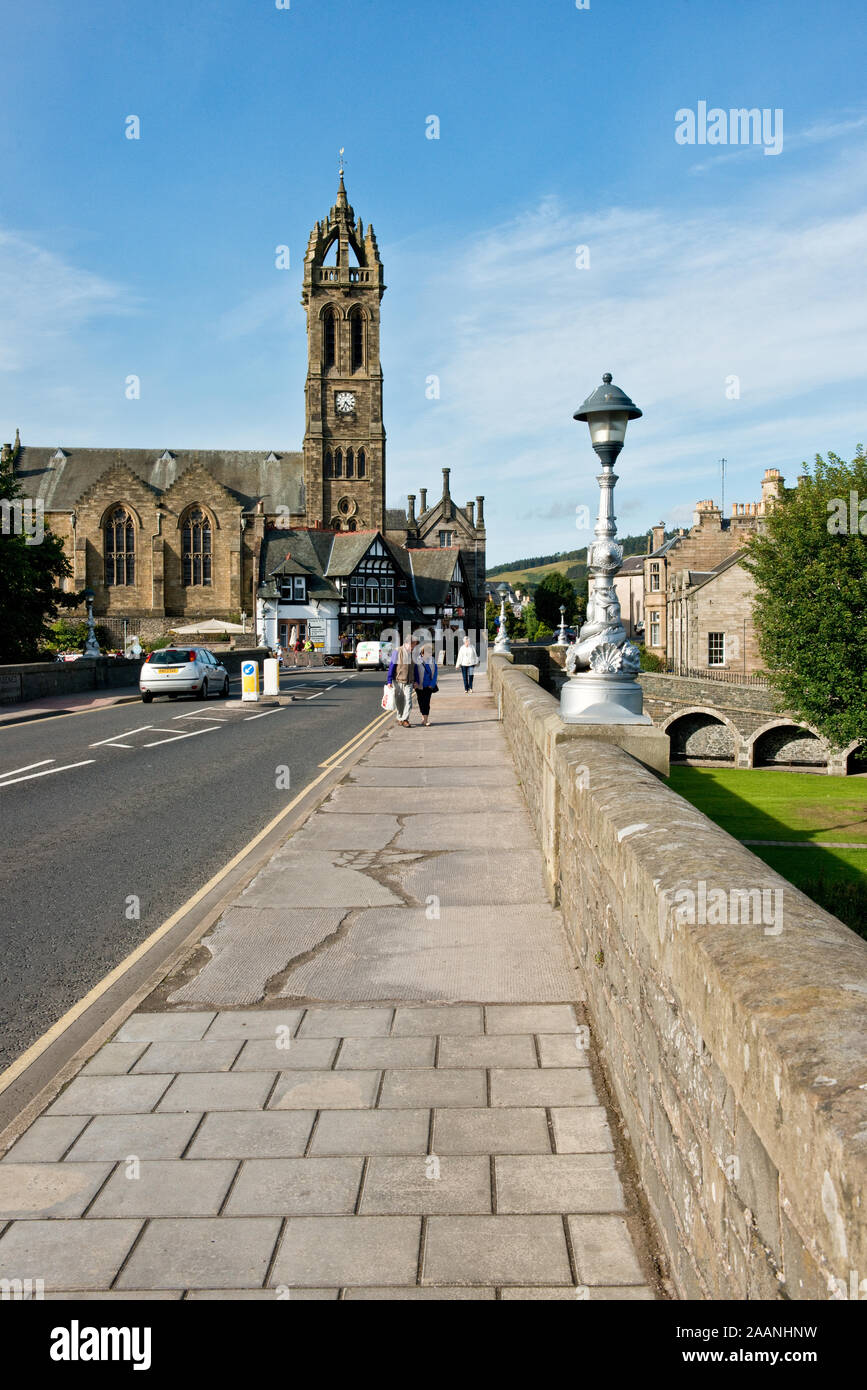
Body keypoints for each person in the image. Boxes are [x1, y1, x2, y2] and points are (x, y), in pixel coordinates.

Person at [386, 635, 418, 727]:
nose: (413, 648)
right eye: (412, 645)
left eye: (415, 646)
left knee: (408, 701)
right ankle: (400, 717)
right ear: (407, 643)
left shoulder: (414, 653)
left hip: (409, 681)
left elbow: (415, 668)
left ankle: (405, 719)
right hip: (398, 681)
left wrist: (416, 681)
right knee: (399, 702)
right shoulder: (397, 651)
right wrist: (389, 681)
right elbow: (392, 666)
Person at [414, 643, 438, 727]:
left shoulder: (432, 660)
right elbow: (414, 673)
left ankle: (425, 720)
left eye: (430, 652)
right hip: (419, 686)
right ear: (423, 652)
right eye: (428, 652)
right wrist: (415, 683)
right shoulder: (417, 660)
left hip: (429, 686)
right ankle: (423, 718)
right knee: (421, 702)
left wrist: (432, 684)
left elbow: (435, 673)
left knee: (426, 702)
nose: (430, 654)